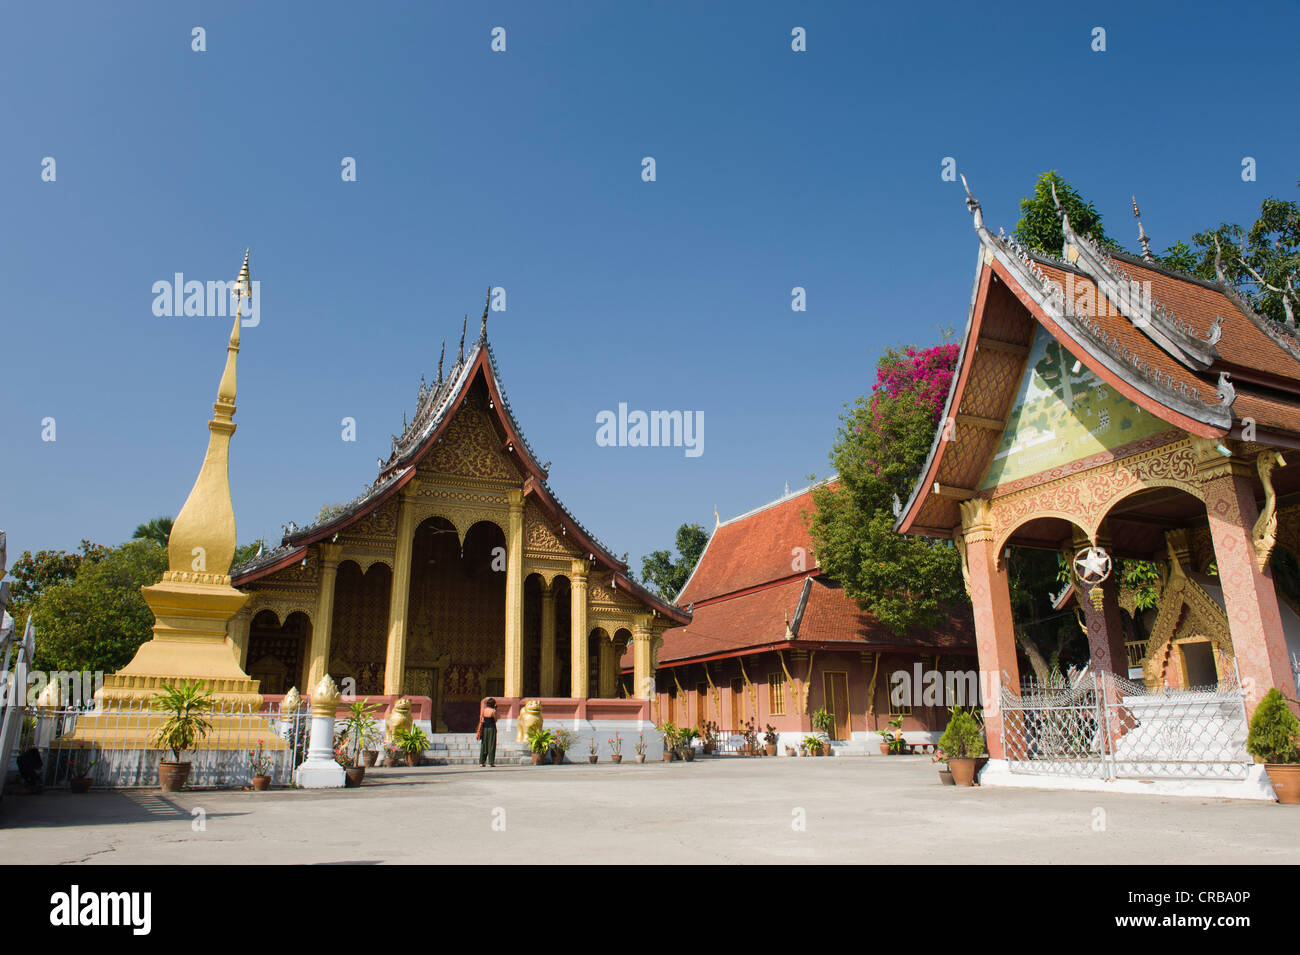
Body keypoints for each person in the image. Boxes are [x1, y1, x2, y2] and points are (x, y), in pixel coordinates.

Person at [478, 697, 498, 768]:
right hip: (491, 728)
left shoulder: (484, 710)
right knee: (491, 745)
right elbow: (496, 720)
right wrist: (495, 710)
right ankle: (491, 762)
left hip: (485, 728)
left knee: (484, 745)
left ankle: (481, 762)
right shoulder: (493, 711)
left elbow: (481, 718)